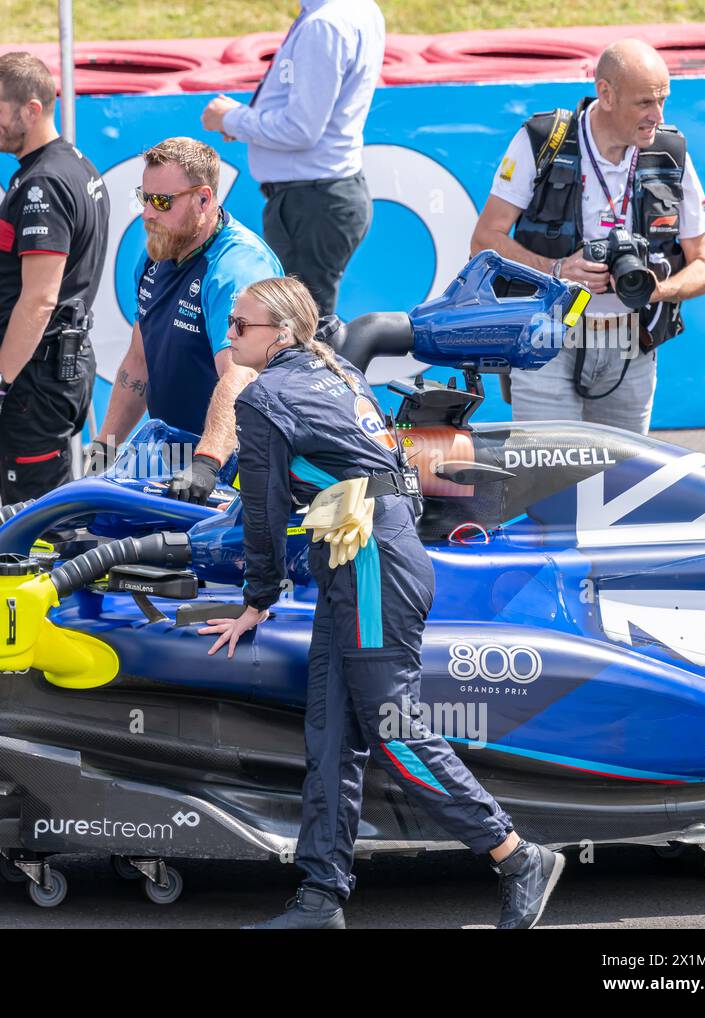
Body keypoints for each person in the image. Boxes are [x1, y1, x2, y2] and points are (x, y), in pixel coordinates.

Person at [201, 277, 565, 930]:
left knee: (394, 730)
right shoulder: (334, 368)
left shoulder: (265, 398)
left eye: (240, 326)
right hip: (369, 555)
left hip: (370, 564)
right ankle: (319, 898)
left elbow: (262, 512)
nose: (229, 337)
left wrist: (257, 599)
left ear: (281, 334)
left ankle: (516, 856)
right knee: (332, 733)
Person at [470, 39, 705, 435]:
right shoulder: (543, 140)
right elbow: (484, 239)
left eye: (663, 100)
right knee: (547, 478)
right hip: (547, 337)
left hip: (631, 346)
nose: (658, 115)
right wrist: (558, 268)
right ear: (605, 93)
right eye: (645, 103)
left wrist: (657, 291)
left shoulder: (671, 153)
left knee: (621, 484)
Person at [89, 137, 281, 504]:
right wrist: (104, 453)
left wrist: (206, 462)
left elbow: (242, 375)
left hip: (236, 466)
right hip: (179, 461)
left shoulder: (236, 270)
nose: (147, 213)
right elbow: (139, 364)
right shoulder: (157, 255)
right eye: (144, 198)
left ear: (203, 199)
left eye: (162, 202)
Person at [0, 51, 109, 504]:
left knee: (34, 519)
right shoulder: (72, 165)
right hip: (54, 368)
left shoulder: (44, 184)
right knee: (51, 508)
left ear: (32, 109)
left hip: (36, 379)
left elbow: (40, 299)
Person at [200, 0, 384, 318]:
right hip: (321, 195)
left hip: (311, 200)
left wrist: (233, 119)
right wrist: (247, 122)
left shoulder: (323, 23)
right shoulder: (353, 10)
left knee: (301, 336)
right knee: (305, 329)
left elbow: (301, 129)